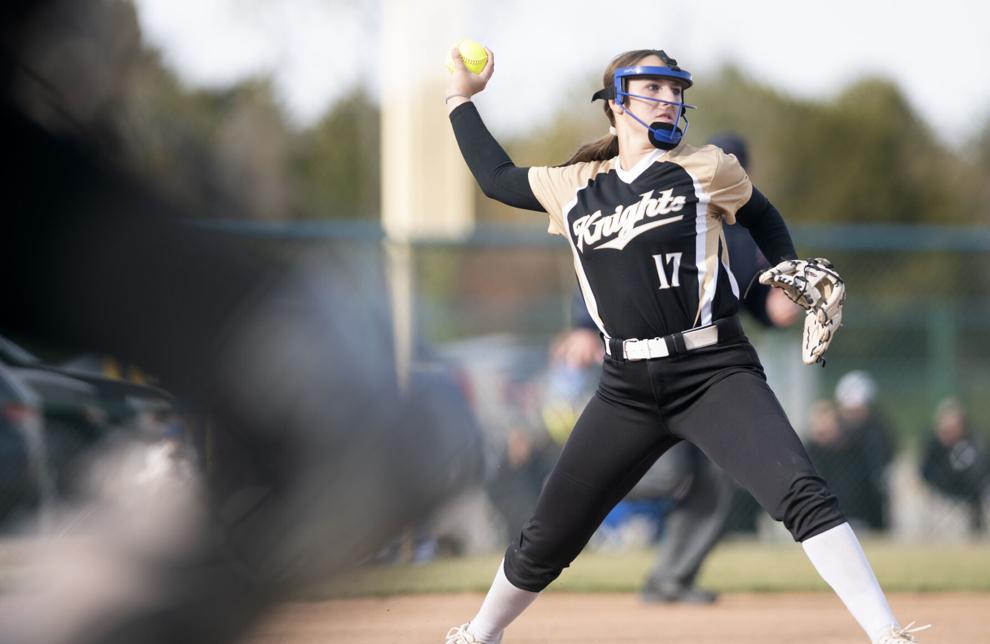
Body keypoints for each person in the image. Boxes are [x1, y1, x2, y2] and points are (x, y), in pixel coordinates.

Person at [443, 47, 928, 643]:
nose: (669, 99)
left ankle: (887, 633)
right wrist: (460, 98)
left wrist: (785, 270)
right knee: (550, 532)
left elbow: (764, 216)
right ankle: (479, 634)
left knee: (799, 489)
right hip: (624, 388)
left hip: (713, 372)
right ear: (616, 103)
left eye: (676, 90)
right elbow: (495, 180)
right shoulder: (575, 184)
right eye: (653, 89)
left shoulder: (708, 166)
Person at [920, 397, 989, 534]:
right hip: (945, 488)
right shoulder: (935, 445)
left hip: (973, 489)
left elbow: (982, 465)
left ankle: (977, 528)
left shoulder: (974, 440)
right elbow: (925, 471)